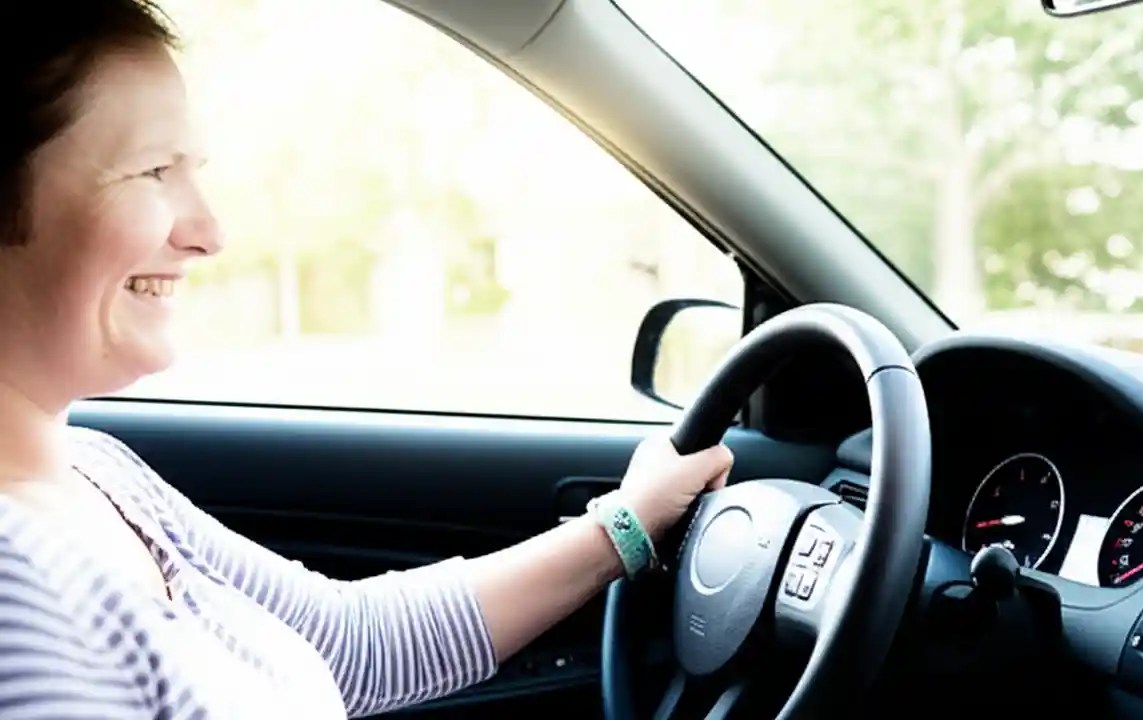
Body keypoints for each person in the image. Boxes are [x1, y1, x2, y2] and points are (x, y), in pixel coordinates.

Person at [0, 2, 734, 717]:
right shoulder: (17, 590)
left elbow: (347, 641)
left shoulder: (97, 473)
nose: (209, 232)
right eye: (155, 171)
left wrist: (627, 528)